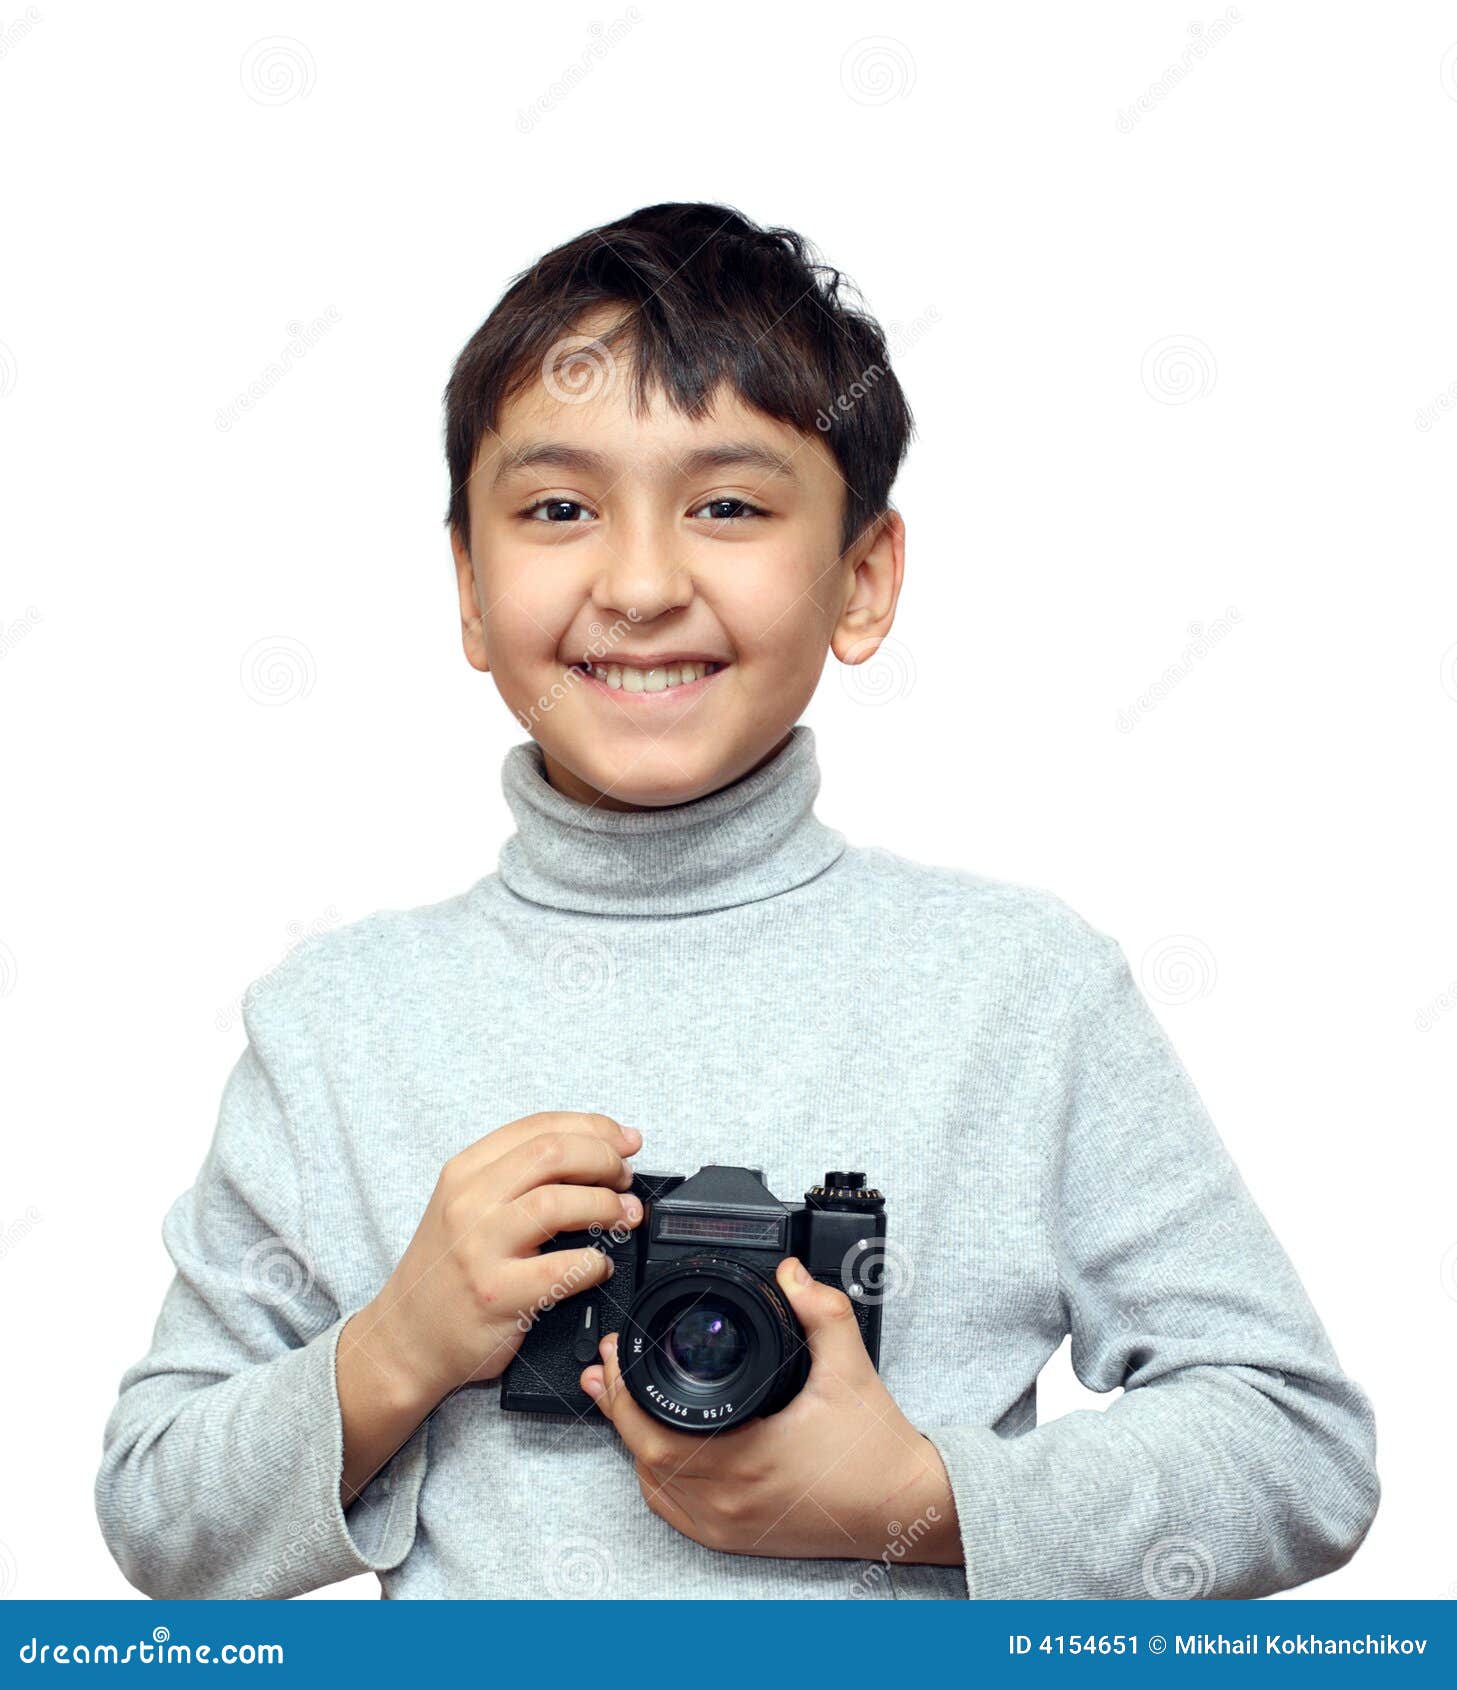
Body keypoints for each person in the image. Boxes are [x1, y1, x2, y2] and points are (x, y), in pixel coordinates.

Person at [95, 202, 1379, 1600]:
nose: (642, 584)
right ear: (467, 584)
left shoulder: (1019, 990)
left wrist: (919, 1498)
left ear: (863, 578)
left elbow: (1298, 1449)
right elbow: (158, 1512)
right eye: (558, 508)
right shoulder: (340, 1025)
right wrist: (398, 1346)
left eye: (728, 506)